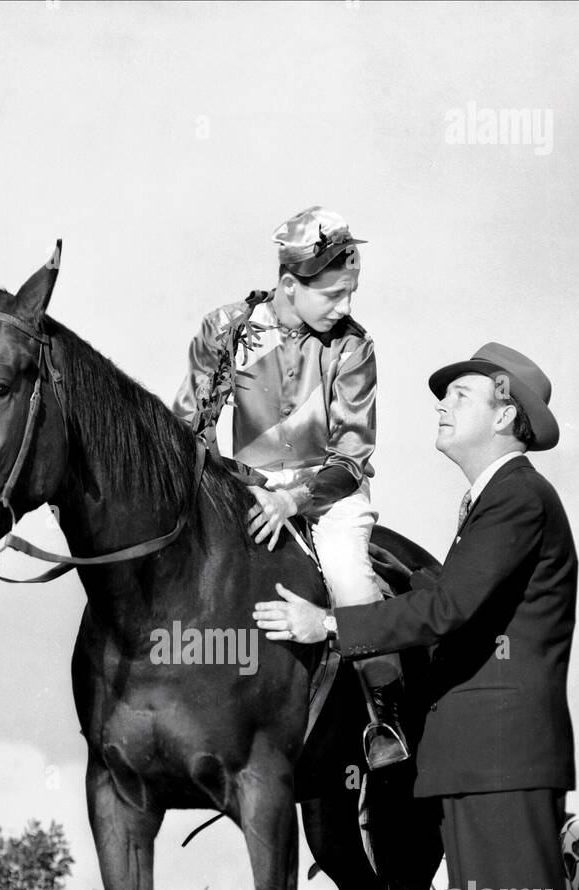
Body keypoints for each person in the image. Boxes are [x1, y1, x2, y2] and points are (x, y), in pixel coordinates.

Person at [253, 343, 578, 890]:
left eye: (459, 394)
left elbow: (447, 605)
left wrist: (333, 629)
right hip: (475, 759)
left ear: (504, 413)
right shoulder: (491, 501)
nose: (440, 404)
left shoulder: (514, 497)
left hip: (504, 756)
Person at [173, 206, 409, 770]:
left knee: (351, 580)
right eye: (332, 294)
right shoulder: (224, 329)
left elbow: (352, 458)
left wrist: (291, 499)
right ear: (288, 285)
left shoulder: (354, 347)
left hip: (327, 495)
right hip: (242, 487)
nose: (346, 306)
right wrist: (242, 483)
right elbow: (190, 429)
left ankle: (385, 715)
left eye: (351, 291)